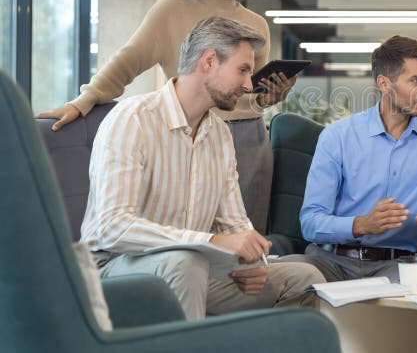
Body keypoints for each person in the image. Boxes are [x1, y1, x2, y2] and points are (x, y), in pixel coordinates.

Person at [38, 0, 291, 234]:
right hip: (185, 133)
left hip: (247, 137)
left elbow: (251, 92)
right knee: (184, 228)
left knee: (244, 233)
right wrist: (83, 101)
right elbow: (128, 61)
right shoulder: (170, 11)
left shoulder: (256, 24)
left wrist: (273, 95)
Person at [81, 17, 323, 320]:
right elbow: (111, 227)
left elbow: (235, 224)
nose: (249, 85)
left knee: (304, 279)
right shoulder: (133, 120)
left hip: (192, 270)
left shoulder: (219, 135)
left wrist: (249, 264)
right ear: (209, 61)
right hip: (115, 272)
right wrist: (210, 242)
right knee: (187, 264)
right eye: (243, 70)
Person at [295, 35, 417, 281]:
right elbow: (310, 223)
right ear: (384, 84)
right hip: (329, 262)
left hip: (397, 267)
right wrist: (361, 225)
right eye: (416, 80)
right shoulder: (337, 136)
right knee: (284, 274)